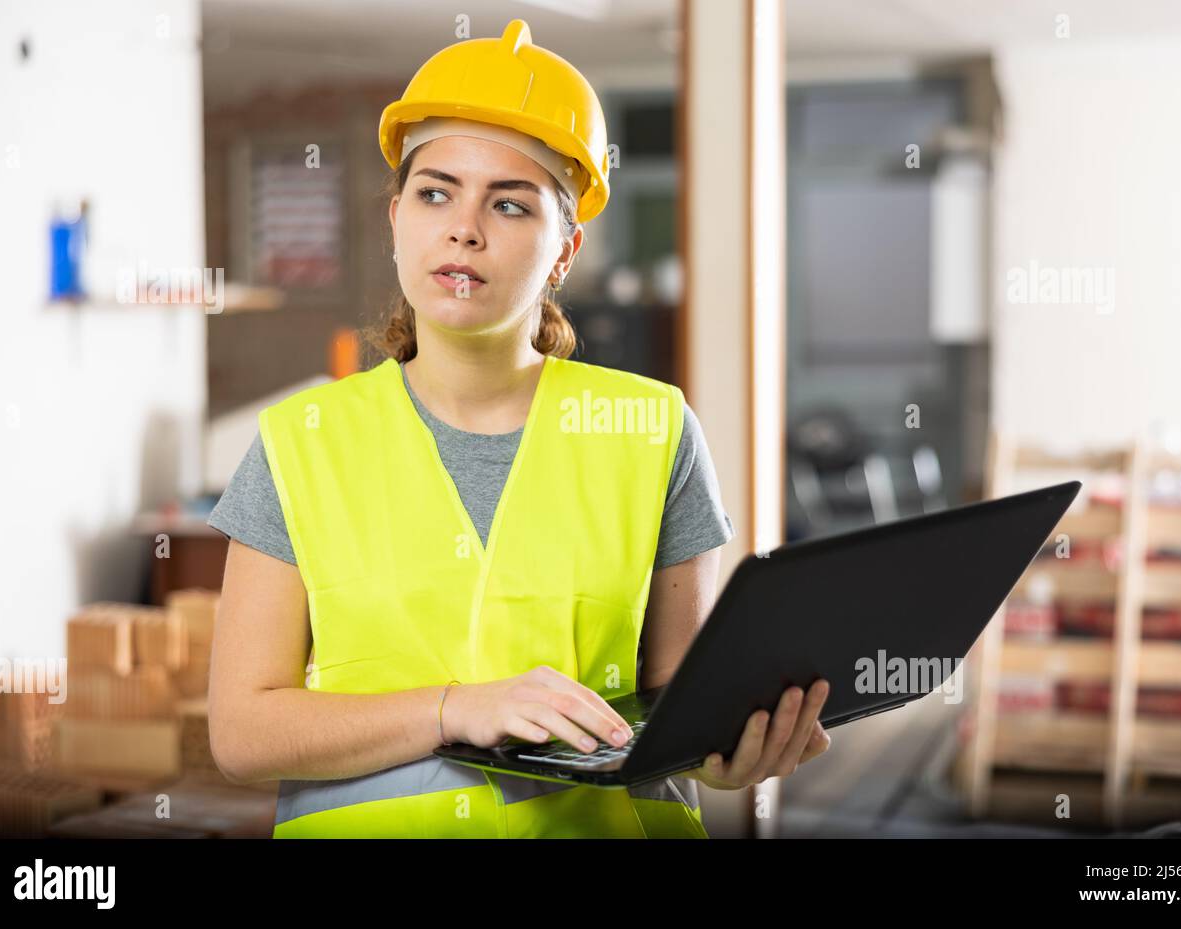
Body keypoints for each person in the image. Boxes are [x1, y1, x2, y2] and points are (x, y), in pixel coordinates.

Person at [206, 19, 831, 838]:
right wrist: (455, 709)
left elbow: (677, 706)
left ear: (565, 250)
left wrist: (731, 751)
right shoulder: (298, 443)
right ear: (397, 219)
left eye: (509, 203)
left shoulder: (652, 430)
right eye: (436, 192)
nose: (464, 228)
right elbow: (243, 734)